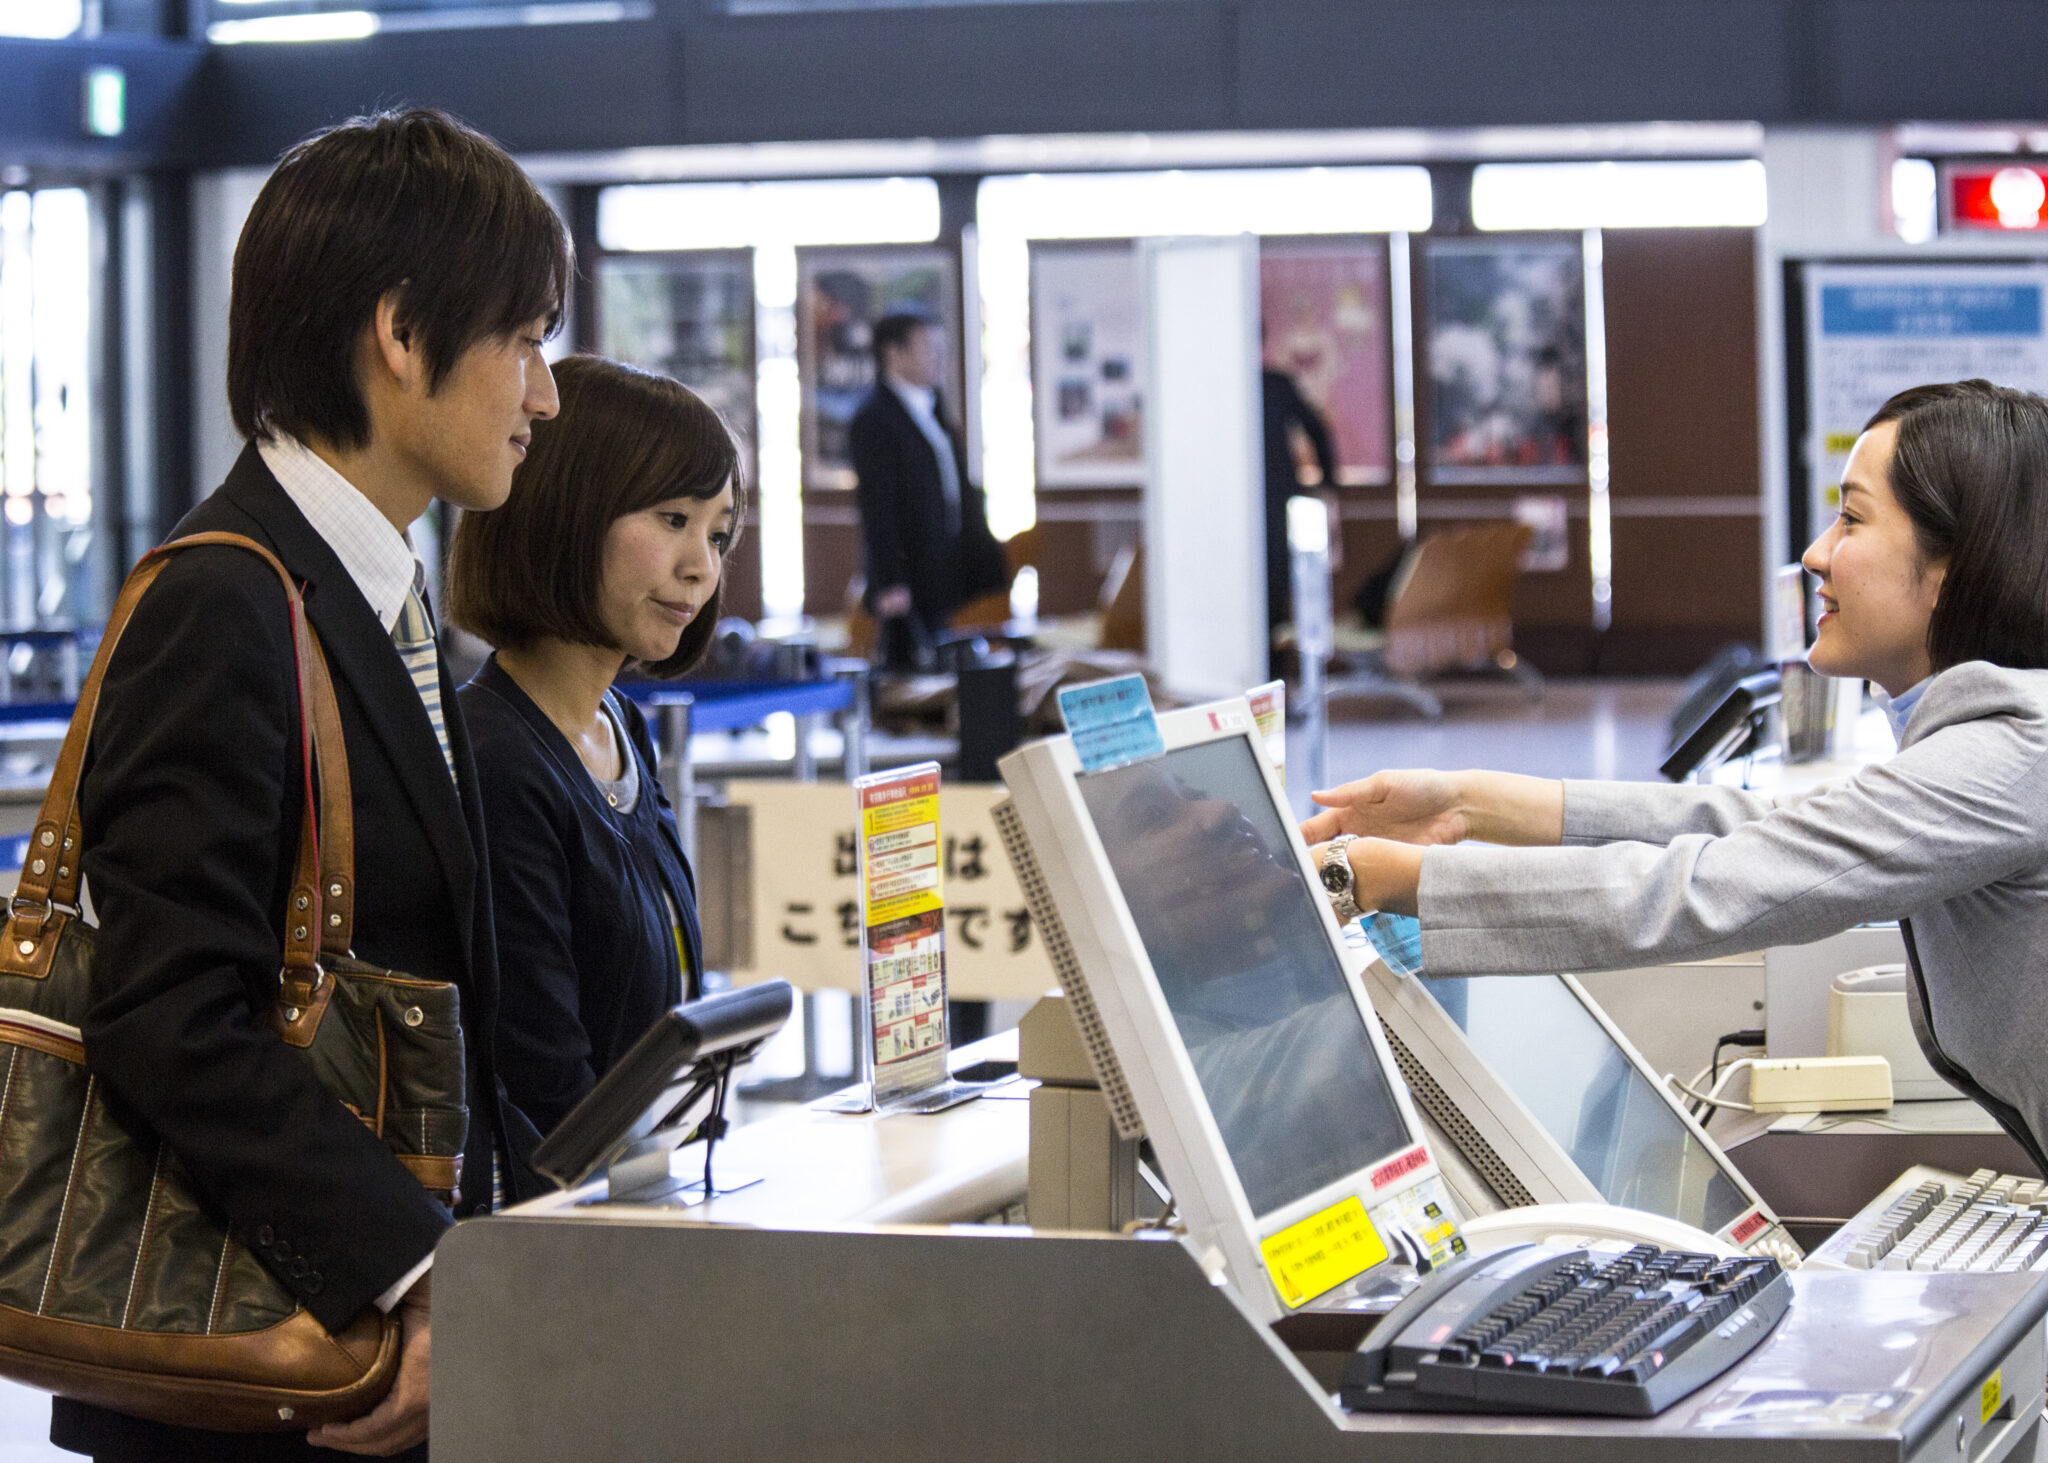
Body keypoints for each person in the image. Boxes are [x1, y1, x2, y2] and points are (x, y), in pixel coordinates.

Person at [59, 109, 568, 1462]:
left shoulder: (378, 589)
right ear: (400, 333)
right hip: (264, 1376)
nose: (544, 395)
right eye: (523, 341)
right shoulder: (226, 598)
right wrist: (415, 1271)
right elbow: (171, 1013)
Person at [1301, 379, 2048, 1175]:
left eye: (1853, 518)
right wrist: (1468, 804)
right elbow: (1758, 828)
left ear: (1951, 569)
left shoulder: (2008, 757)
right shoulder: (1995, 739)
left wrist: (1382, 879)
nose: (1816, 553)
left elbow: (1712, 885)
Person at [447, 356, 735, 1145]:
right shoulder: (498, 761)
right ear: (567, 509)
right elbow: (546, 1091)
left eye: (718, 532)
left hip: (648, 1197)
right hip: (566, 1237)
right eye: (673, 520)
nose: (700, 566)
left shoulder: (617, 726)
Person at [850, 309, 1007, 668]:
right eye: (927, 347)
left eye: (940, 347)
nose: (938, 357)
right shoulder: (874, 418)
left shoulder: (934, 408)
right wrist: (890, 581)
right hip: (910, 570)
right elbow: (877, 505)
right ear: (894, 353)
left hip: (947, 564)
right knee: (910, 670)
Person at [1260, 362, 1340, 650]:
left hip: (1274, 501)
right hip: (1272, 500)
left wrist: (1328, 483)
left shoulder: (1275, 384)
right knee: (1272, 589)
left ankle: (1272, 673)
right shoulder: (1275, 384)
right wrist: (1328, 482)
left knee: (1274, 589)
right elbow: (1316, 429)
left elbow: (1316, 429)